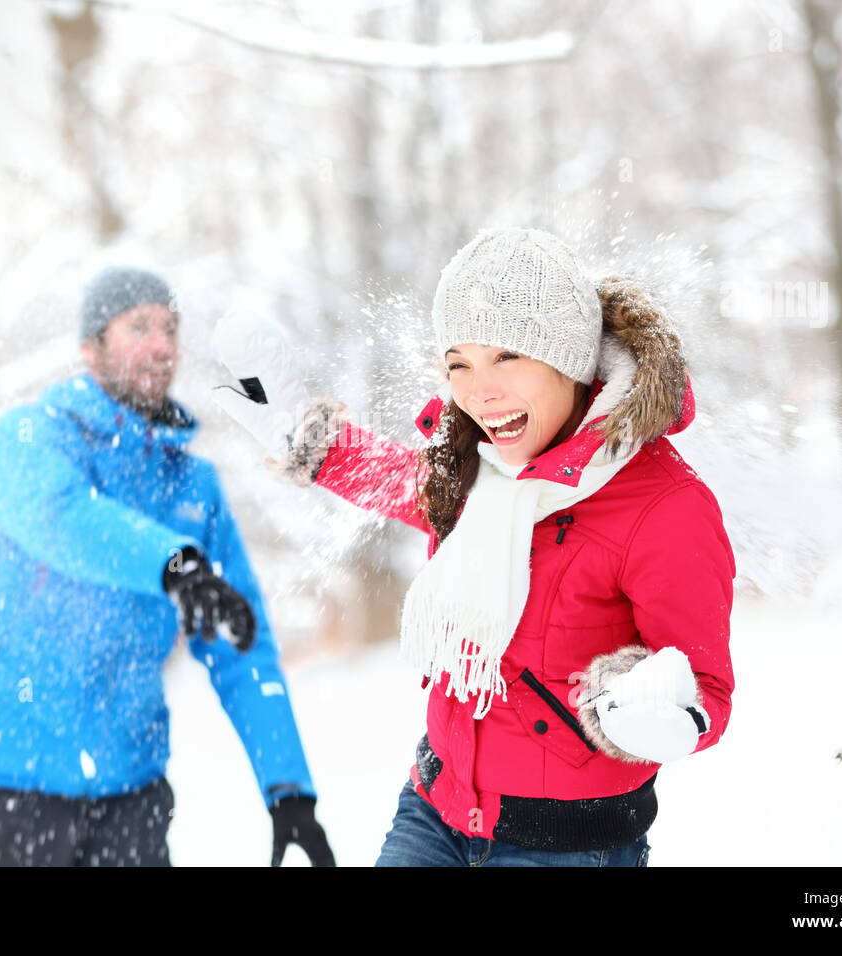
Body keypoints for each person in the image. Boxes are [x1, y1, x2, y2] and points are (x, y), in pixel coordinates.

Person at [213, 227, 735, 867]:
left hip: (566, 848)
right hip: (436, 810)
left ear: (568, 359)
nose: (479, 392)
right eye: (460, 362)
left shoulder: (664, 506)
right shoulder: (472, 464)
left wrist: (652, 709)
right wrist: (310, 438)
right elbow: (402, 481)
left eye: (507, 357)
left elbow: (706, 689)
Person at [0, 265, 334, 867]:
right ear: (89, 348)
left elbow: (240, 643)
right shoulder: (21, 441)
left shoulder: (193, 487)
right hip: (9, 797)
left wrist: (288, 791)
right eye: (140, 326)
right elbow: (63, 520)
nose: (162, 345)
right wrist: (172, 563)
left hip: (132, 801)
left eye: (171, 328)